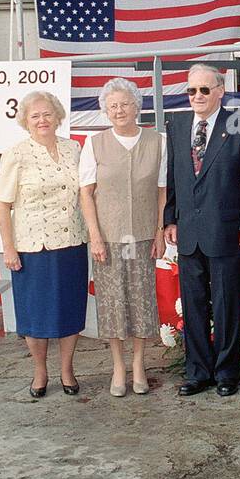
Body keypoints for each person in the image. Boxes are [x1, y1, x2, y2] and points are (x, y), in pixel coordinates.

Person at [164, 64, 240, 397]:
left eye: (204, 90)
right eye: (191, 90)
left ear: (220, 91)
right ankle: (197, 372)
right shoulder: (176, 125)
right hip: (189, 233)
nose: (197, 97)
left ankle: (226, 373)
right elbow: (174, 175)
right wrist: (170, 218)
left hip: (228, 232)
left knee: (226, 305)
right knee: (193, 307)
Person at [0, 90, 88, 399]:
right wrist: (9, 248)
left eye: (47, 114)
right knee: (34, 314)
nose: (42, 120)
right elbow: (2, 205)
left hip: (71, 243)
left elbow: (88, 194)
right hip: (31, 248)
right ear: (26, 121)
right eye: (35, 116)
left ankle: (67, 370)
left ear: (58, 116)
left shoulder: (74, 149)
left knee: (70, 309)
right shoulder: (16, 154)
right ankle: (39, 371)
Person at [79, 78, 166, 398]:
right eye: (113, 106)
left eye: (125, 104)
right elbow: (86, 193)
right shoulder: (95, 143)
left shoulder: (158, 141)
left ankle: (140, 365)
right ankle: (118, 366)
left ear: (136, 107)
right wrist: (95, 236)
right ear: (105, 110)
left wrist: (159, 231)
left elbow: (162, 192)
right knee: (113, 305)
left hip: (143, 236)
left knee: (142, 303)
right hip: (109, 238)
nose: (119, 110)